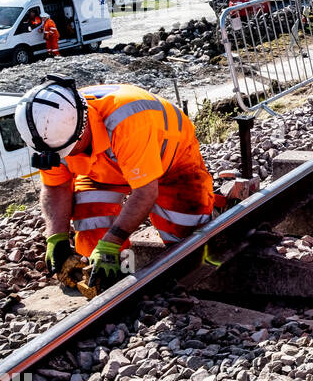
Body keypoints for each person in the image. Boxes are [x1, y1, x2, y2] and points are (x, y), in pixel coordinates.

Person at [16, 77, 215, 293]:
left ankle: (191, 277)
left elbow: (145, 192)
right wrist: (56, 237)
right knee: (91, 221)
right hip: (105, 169)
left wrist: (111, 242)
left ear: (82, 128)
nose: (67, 156)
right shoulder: (48, 130)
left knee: (187, 236)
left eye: (70, 150)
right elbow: (56, 186)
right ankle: (119, 280)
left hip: (172, 161)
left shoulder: (127, 121)